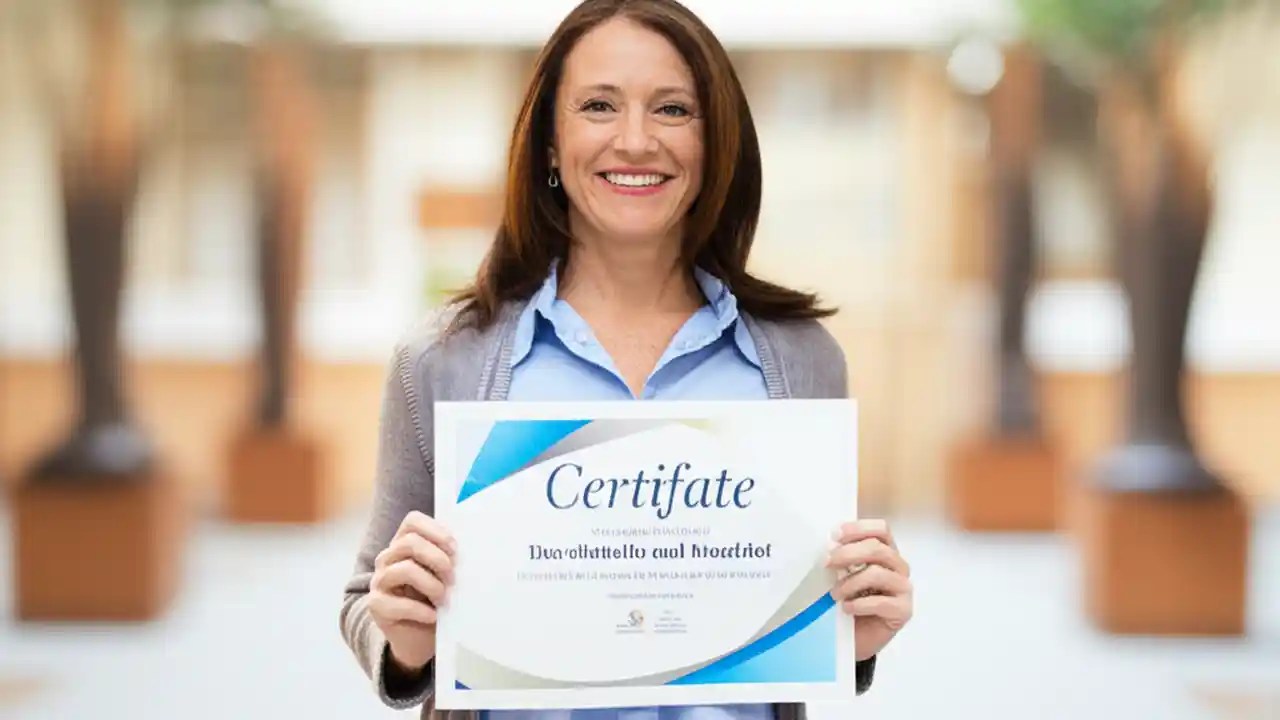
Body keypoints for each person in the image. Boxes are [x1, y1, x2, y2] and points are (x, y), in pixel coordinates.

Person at [339, 1, 914, 718]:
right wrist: (405, 638)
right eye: (599, 105)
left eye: (673, 109)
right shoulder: (443, 359)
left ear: (715, 143)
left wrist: (855, 636)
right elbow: (369, 602)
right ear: (550, 140)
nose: (636, 140)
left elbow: (802, 615)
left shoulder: (802, 362)